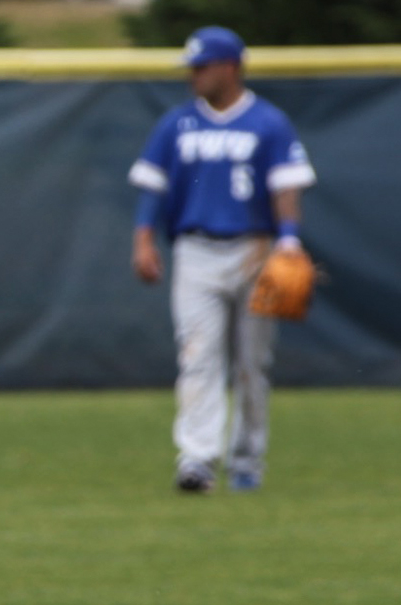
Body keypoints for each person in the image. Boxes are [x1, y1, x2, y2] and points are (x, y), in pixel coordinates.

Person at [129, 25, 316, 493]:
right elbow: (152, 186)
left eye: (201, 66)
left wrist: (289, 241)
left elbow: (286, 187)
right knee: (198, 357)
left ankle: (247, 460)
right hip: (194, 251)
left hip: (256, 250)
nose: (192, 75)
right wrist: (143, 240)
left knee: (252, 363)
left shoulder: (268, 122)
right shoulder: (177, 124)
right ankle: (196, 459)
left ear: (230, 67)